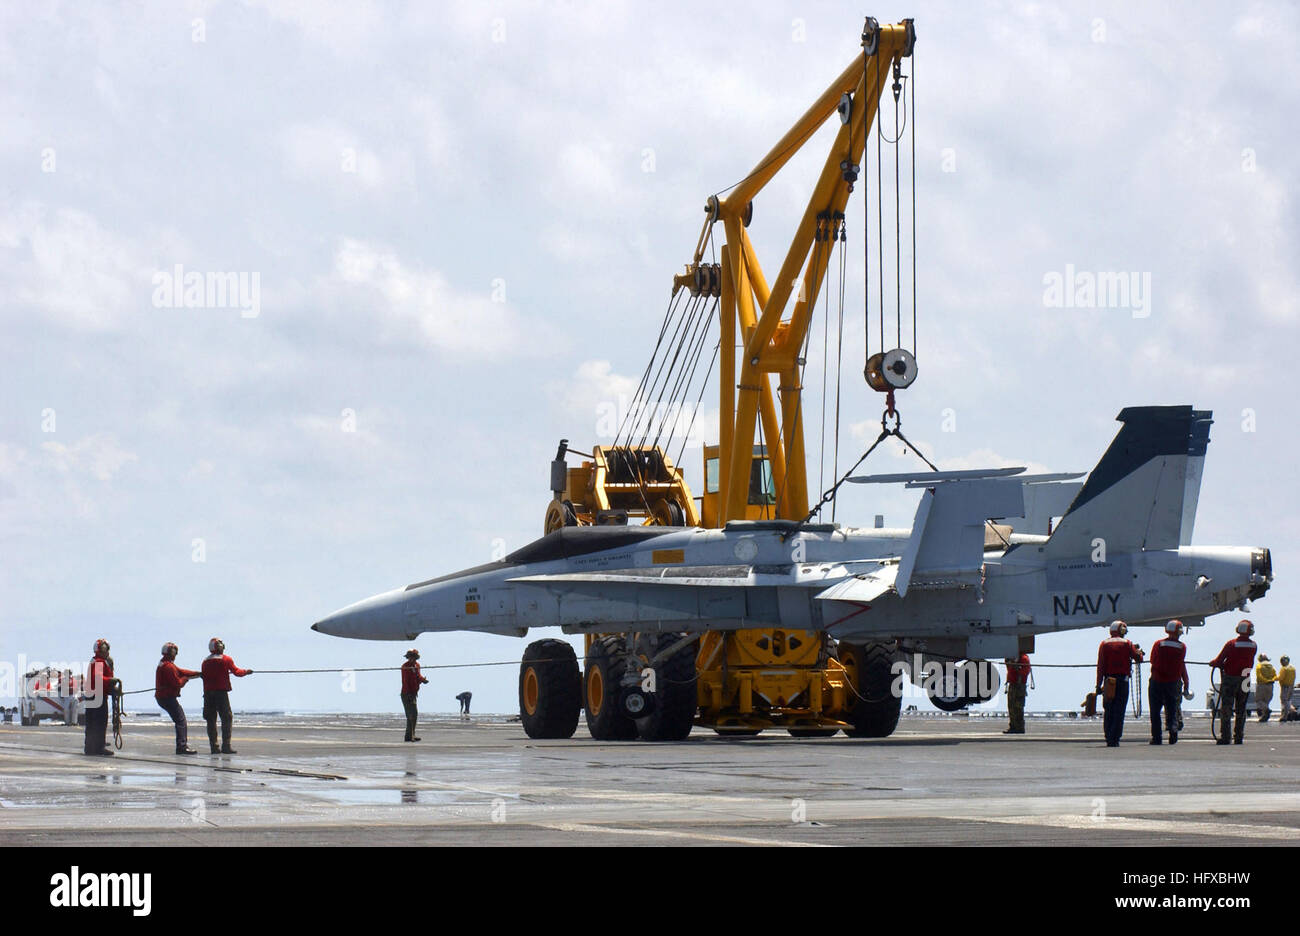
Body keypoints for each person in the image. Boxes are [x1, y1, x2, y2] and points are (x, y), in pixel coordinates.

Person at [200, 638, 252, 754]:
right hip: (221, 693)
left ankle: (214, 747)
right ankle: (226, 746)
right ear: (219, 647)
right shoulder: (225, 659)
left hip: (208, 694)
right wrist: (246, 672)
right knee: (226, 718)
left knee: (211, 720)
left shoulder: (205, 661)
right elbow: (237, 672)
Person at [1096, 620, 1144, 747]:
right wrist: (1139, 652)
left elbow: (1100, 666)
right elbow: (1138, 658)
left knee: (1109, 710)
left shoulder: (1104, 644)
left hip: (1108, 682)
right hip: (1123, 681)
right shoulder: (1127, 643)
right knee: (1119, 710)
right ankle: (1115, 738)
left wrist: (1098, 685)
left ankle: (1108, 736)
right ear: (1122, 630)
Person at [1210, 620, 1258, 745]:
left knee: (1226, 707)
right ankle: (1239, 737)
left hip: (1231, 677)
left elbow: (1219, 660)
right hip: (1245, 678)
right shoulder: (1254, 645)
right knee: (1241, 709)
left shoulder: (1231, 644)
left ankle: (1226, 737)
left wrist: (1214, 663)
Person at [1148, 620, 1190, 745]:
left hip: (1156, 681)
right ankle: (1173, 733)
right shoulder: (1182, 647)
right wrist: (1186, 682)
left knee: (1155, 711)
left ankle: (1157, 738)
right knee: (1172, 709)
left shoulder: (1158, 644)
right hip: (1173, 682)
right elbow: (1180, 664)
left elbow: (1152, 660)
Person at [155, 642, 201, 755]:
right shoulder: (169, 666)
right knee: (181, 721)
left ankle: (182, 745)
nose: (175, 654)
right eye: (174, 651)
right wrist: (185, 679)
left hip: (162, 697)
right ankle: (182, 747)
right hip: (167, 697)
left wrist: (197, 674)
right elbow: (177, 683)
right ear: (171, 652)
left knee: (179, 720)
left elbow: (181, 671)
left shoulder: (165, 663)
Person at [83, 639, 120, 756]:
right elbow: (99, 679)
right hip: (97, 696)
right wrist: (110, 681)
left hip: (92, 695)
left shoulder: (95, 661)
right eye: (104, 649)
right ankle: (99, 747)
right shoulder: (99, 662)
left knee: (92, 723)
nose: (106, 651)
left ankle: (90, 747)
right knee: (100, 722)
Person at [401, 650, 428, 742]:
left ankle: (412, 734)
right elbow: (406, 681)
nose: (411, 658)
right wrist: (409, 693)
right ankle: (408, 736)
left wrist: (422, 680)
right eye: (410, 657)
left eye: (413, 657)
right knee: (410, 715)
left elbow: (417, 676)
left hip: (413, 693)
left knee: (414, 714)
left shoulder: (417, 665)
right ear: (408, 657)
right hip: (407, 693)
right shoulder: (405, 667)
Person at [1003, 653, 1030, 734]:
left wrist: (1016, 666)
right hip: (1012, 684)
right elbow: (1009, 668)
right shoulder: (1012, 657)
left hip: (1019, 685)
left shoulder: (1024, 658)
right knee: (1011, 706)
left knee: (1018, 707)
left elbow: (1025, 672)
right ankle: (1013, 726)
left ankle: (1019, 727)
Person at [1254, 654, 1278, 722]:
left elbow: (1259, 676)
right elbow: (1275, 675)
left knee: (1259, 700)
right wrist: (1271, 680)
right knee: (1266, 701)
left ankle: (1266, 710)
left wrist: (1265, 680)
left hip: (1262, 685)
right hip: (1270, 685)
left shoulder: (1259, 665)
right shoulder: (1271, 666)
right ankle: (1264, 717)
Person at [1278, 656, 1295, 720]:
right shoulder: (1292, 668)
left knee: (1284, 701)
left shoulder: (1284, 668)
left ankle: (1285, 716)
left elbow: (1280, 678)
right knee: (1288, 701)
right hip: (1291, 687)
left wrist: (1272, 679)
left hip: (1285, 687)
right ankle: (1291, 712)